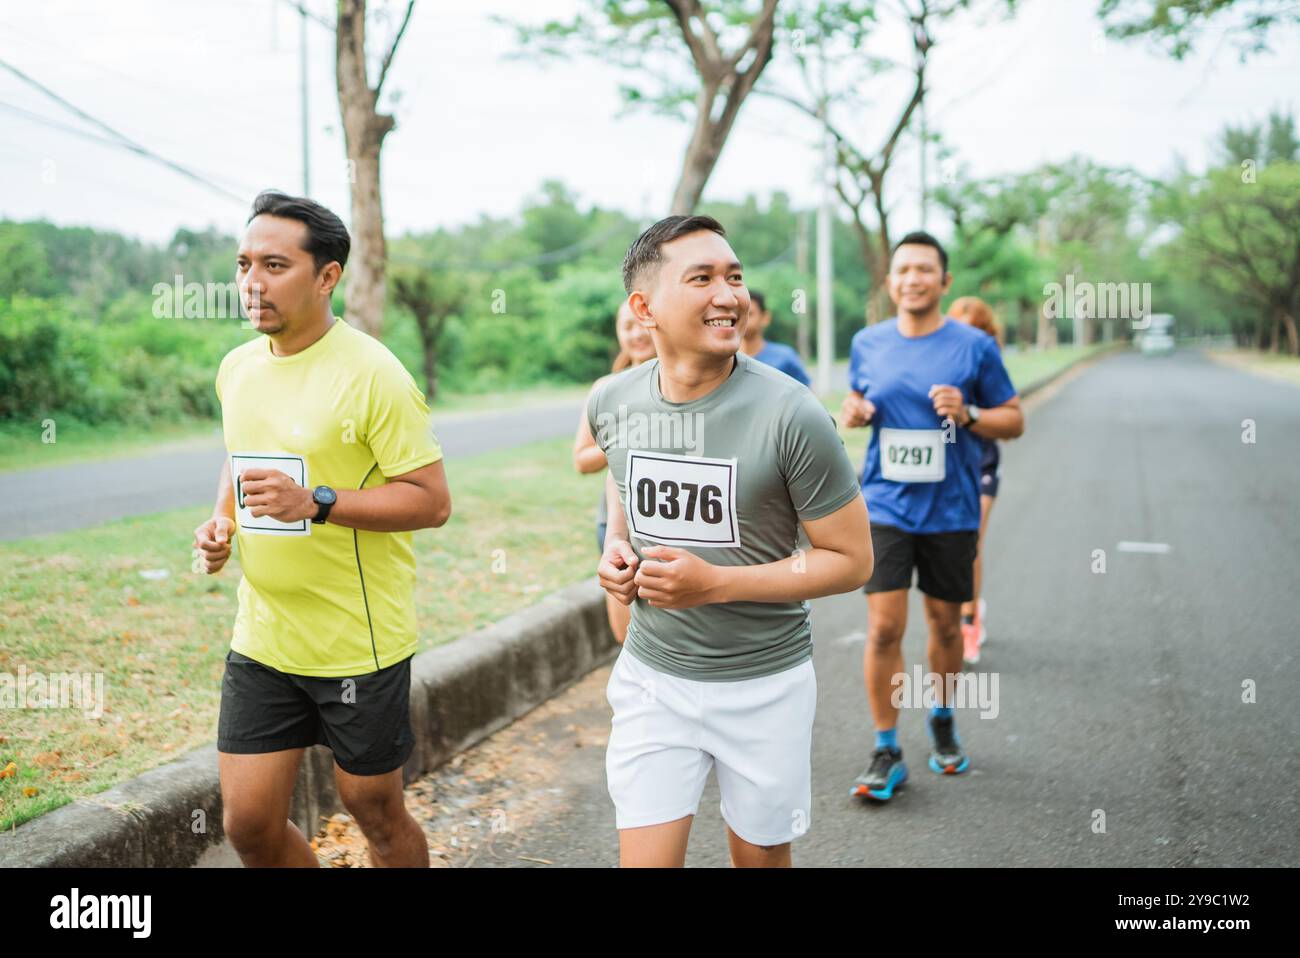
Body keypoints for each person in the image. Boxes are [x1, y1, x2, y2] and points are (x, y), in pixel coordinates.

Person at [590, 215, 873, 867]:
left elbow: (852, 560)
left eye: (735, 276)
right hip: (653, 681)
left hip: (764, 686)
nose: (729, 294)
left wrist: (717, 583)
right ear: (644, 307)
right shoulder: (612, 401)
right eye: (703, 278)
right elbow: (620, 476)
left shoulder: (792, 413)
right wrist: (618, 544)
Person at [193, 190, 451, 867]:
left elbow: (431, 501)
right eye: (244, 264)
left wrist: (320, 503)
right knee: (248, 825)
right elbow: (239, 451)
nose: (252, 282)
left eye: (275, 265)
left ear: (327, 276)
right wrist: (220, 524)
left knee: (374, 809)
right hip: (264, 636)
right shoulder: (238, 368)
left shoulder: (375, 375)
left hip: (356, 643)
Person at [840, 231, 1023, 802]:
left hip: (951, 509)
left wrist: (968, 413)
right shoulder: (867, 342)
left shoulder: (973, 347)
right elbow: (860, 402)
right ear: (889, 281)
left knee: (945, 625)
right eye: (903, 270)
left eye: (925, 269)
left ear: (944, 282)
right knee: (885, 628)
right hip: (887, 505)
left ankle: (942, 715)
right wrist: (855, 411)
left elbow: (1013, 420)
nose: (913, 278)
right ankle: (886, 746)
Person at [574, 300, 657, 645]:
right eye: (626, 327)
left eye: (641, 325)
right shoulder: (606, 388)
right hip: (615, 522)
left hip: (667, 518)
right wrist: (625, 440)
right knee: (626, 635)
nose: (636, 334)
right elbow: (581, 460)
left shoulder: (688, 383)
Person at [948, 296, 1005, 664]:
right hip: (945, 460)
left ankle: (969, 620)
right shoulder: (939, 354)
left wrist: (969, 413)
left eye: (975, 329)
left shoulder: (988, 359)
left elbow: (1007, 415)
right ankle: (954, 616)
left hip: (981, 458)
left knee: (971, 541)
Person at [740, 289, 811, 386]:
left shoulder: (784, 357)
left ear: (765, 317)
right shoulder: (726, 361)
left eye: (750, 314)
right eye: (738, 314)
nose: (743, 319)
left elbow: (806, 394)